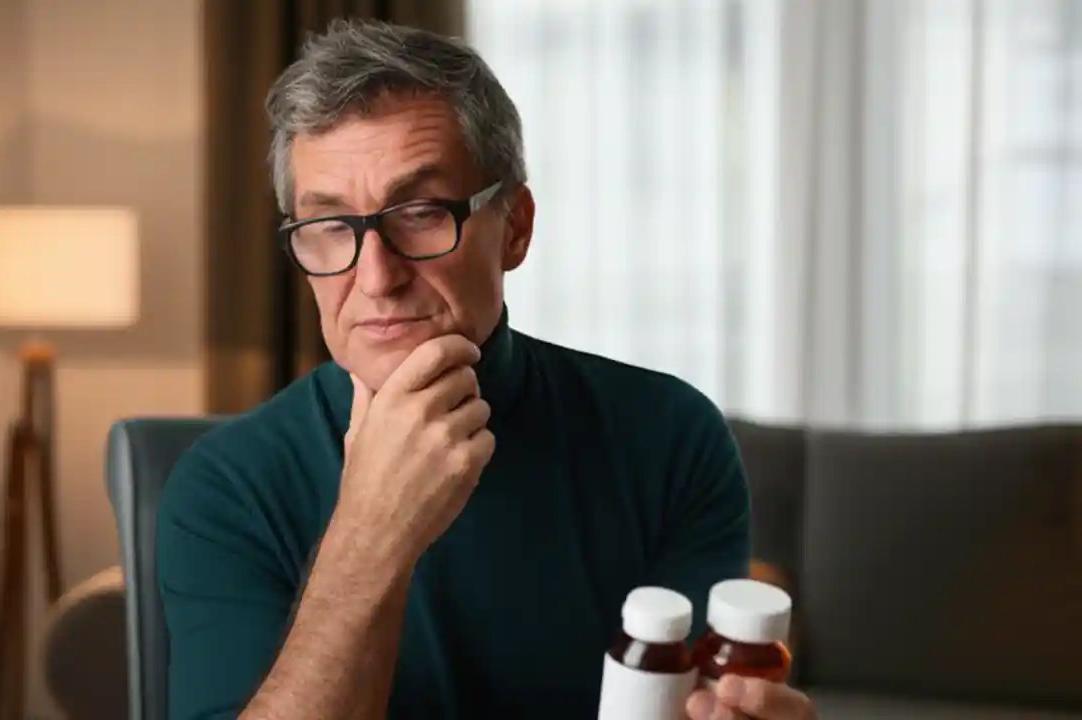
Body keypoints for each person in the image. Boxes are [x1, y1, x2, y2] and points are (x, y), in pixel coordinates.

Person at [159, 18, 817, 720]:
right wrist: (372, 531)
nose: (376, 277)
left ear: (515, 227)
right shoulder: (222, 487)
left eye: (418, 212)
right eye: (328, 225)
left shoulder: (673, 436)